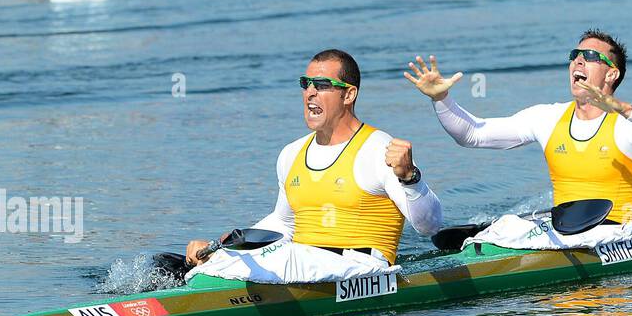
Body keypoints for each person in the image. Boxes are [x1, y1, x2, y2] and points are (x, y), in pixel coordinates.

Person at [185, 49, 443, 281]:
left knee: (286, 258)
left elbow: (429, 226)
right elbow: (285, 224)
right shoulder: (291, 153)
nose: (310, 92)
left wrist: (410, 177)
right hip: (301, 263)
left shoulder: (379, 149)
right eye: (305, 84)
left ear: (349, 94)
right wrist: (222, 247)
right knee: (212, 258)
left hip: (362, 268)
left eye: (321, 85)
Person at [405, 31, 632, 227]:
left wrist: (623, 108)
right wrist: (440, 98)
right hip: (566, 236)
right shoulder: (547, 118)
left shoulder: (630, 125)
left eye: (591, 56)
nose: (578, 60)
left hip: (620, 236)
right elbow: (471, 134)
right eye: (575, 54)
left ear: (612, 74)